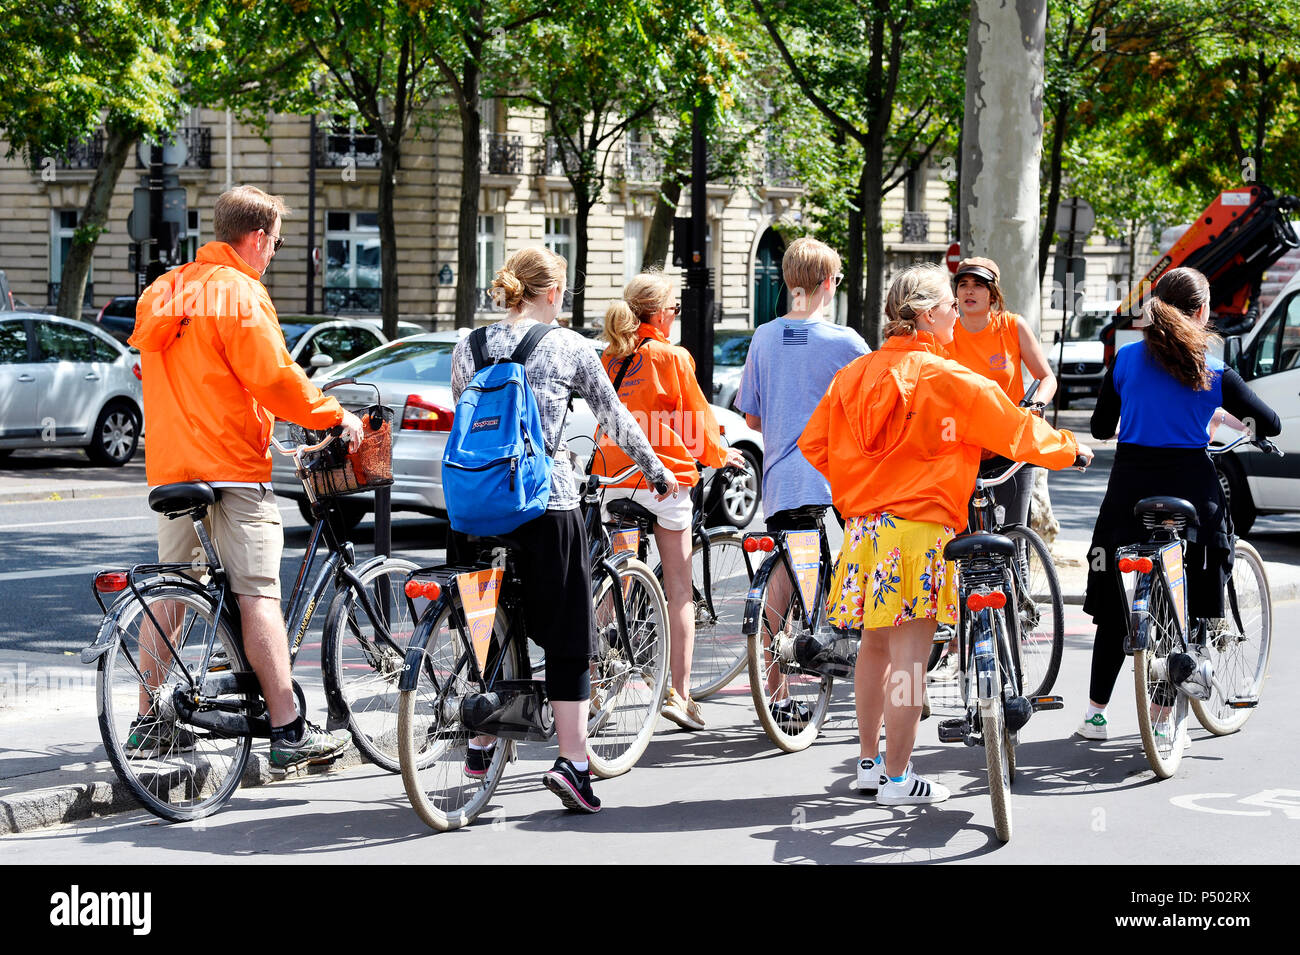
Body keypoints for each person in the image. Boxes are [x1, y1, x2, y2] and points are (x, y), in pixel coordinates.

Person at [799, 263, 1091, 805]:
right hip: (919, 531)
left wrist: (861, 481)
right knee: (911, 662)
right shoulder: (946, 376)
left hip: (864, 531)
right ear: (928, 314)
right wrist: (1070, 449)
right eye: (951, 305)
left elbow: (815, 443)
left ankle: (869, 765)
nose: (958, 312)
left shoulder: (855, 374)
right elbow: (1014, 429)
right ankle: (897, 779)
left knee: (873, 650)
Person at [130, 184, 363, 769]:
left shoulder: (164, 290)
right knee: (257, 592)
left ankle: (147, 721)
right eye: (276, 244)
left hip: (172, 468)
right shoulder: (239, 292)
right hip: (231, 467)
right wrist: (333, 415)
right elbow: (275, 377)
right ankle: (288, 729)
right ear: (257, 238)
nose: (273, 254)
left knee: (173, 591)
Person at [449, 247, 677, 813]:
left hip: (476, 509)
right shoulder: (569, 346)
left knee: (483, 625)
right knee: (570, 634)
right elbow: (614, 416)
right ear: (553, 293)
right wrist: (657, 471)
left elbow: (469, 420)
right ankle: (573, 761)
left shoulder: (467, 346)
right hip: (544, 504)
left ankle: (480, 740)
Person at [1075, 267, 1280, 740]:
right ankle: (1167, 711)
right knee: (1203, 574)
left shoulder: (1126, 359)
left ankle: (1095, 714)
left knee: (1115, 599)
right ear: (1202, 311)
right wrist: (1214, 413)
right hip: (1191, 487)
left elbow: (1101, 428)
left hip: (1129, 488)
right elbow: (1268, 422)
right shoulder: (1212, 368)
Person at [596, 271, 746, 731]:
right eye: (674, 309)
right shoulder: (672, 357)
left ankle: (596, 684)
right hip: (663, 482)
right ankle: (680, 695)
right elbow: (695, 422)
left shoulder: (610, 356)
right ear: (661, 313)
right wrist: (721, 455)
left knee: (614, 583)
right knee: (680, 590)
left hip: (614, 478)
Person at [734, 236, 869, 729]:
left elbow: (751, 416)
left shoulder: (764, 337)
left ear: (789, 281)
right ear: (828, 283)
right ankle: (861, 652)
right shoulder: (845, 342)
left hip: (783, 476)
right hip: (839, 473)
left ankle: (778, 693)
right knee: (868, 555)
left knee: (784, 577)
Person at [932, 256, 1061, 680]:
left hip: (1009, 447)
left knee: (1012, 537)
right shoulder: (946, 332)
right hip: (961, 451)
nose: (969, 291)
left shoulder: (1011, 326)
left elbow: (1046, 377)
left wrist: (1035, 403)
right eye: (963, 284)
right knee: (961, 542)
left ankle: (1017, 620)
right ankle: (959, 639)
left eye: (979, 285)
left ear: (993, 293)